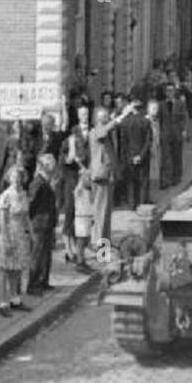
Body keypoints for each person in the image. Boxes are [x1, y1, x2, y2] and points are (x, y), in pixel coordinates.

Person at [0, 165, 34, 317]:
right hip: (9, 234)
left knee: (17, 269)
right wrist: (6, 240)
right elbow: (2, 220)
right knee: (5, 270)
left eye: (19, 177)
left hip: (20, 235)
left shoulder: (23, 195)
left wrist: (31, 233)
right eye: (14, 177)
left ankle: (15, 299)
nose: (17, 180)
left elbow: (26, 216)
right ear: (9, 178)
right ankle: (2, 302)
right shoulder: (5, 196)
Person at [60, 106, 93, 263]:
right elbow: (63, 158)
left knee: (98, 217)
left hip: (94, 181)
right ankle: (71, 251)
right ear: (78, 116)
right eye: (82, 114)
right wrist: (69, 159)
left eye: (87, 113)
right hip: (74, 181)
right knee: (71, 214)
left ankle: (103, 255)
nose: (85, 116)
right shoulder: (71, 136)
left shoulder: (97, 132)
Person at [27, 154, 58, 296]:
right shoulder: (38, 183)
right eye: (51, 164)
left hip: (48, 223)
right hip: (39, 223)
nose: (53, 167)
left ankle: (43, 281)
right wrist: (30, 223)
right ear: (44, 166)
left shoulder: (47, 182)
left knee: (46, 254)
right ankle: (32, 284)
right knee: (37, 255)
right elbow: (31, 204)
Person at [89, 105, 119, 245]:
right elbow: (102, 133)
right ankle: (101, 251)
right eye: (105, 117)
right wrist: (116, 119)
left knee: (106, 214)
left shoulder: (102, 131)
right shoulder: (96, 131)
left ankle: (105, 248)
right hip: (101, 177)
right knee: (101, 214)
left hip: (107, 176)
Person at [117, 96, 153, 210]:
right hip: (143, 156)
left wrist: (126, 157)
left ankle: (132, 205)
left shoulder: (125, 123)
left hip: (129, 156)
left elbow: (123, 143)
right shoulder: (146, 121)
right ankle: (143, 205)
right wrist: (141, 156)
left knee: (131, 182)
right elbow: (148, 141)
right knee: (143, 181)